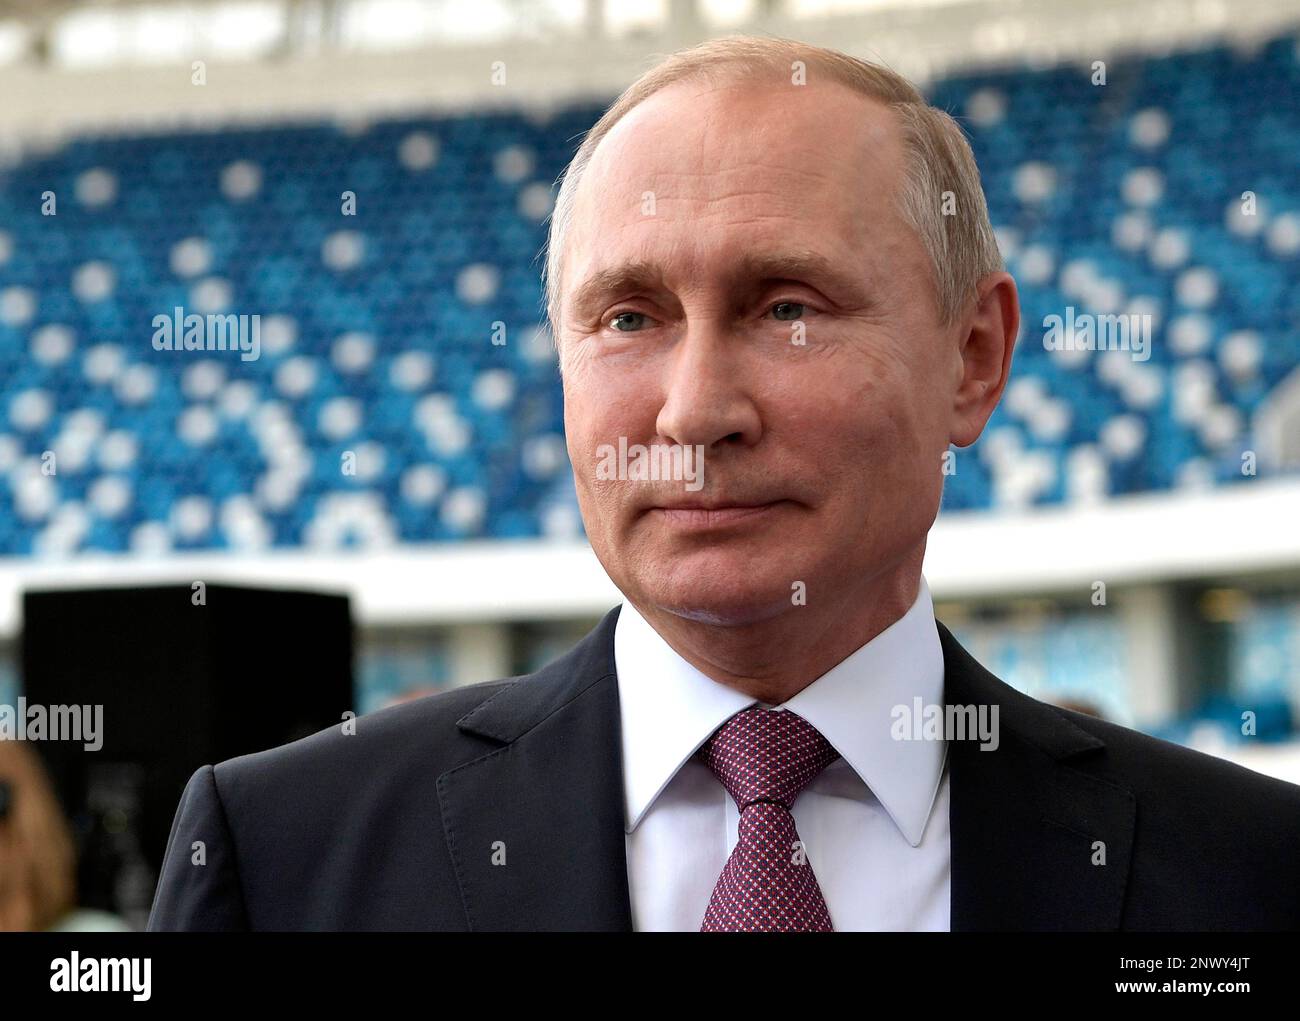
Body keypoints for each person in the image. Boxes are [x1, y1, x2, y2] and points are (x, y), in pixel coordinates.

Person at [149, 35, 1300, 932]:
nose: (694, 410)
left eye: (787, 307)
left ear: (972, 358)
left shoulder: (1245, 871)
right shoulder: (284, 857)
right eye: (629, 317)